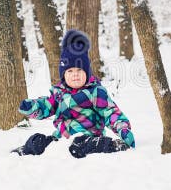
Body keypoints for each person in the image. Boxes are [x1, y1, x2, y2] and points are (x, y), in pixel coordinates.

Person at [13, 29, 135, 158]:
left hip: (88, 137)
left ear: (87, 73)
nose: (75, 74)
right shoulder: (59, 92)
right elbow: (47, 107)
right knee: (37, 140)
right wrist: (32, 107)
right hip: (62, 137)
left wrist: (123, 129)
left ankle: (113, 145)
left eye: (79, 70)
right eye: (70, 71)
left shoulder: (95, 91)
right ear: (63, 74)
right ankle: (25, 150)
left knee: (80, 145)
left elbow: (111, 112)